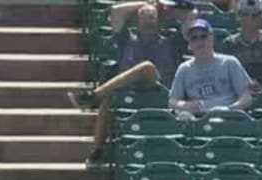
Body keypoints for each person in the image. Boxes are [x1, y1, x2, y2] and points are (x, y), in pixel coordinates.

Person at [68, 1, 188, 166]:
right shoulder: (126, 40)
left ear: (160, 20)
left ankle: (93, 96)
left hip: (161, 94)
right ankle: (97, 151)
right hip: (130, 94)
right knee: (108, 102)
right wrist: (147, 3)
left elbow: (191, 17)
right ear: (136, 21)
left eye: (152, 17)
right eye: (144, 17)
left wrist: (164, 9)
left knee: (147, 67)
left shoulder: (171, 43)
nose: (149, 20)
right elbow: (116, 11)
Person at [169, 19, 255, 116]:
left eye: (203, 36)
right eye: (194, 38)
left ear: (212, 38)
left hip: (228, 116)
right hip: (198, 118)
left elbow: (247, 96)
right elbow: (172, 101)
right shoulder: (184, 69)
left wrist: (230, 109)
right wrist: (185, 105)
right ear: (189, 44)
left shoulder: (229, 63)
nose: (199, 41)